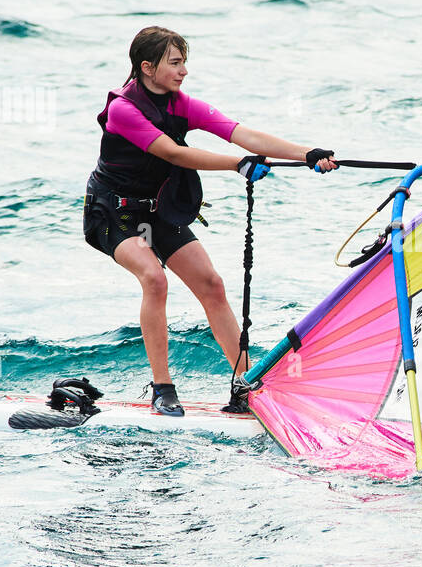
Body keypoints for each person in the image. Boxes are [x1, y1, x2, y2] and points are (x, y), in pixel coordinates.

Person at [82, 26, 336, 416]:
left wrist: (306, 153)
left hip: (158, 210)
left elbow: (241, 134)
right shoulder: (123, 109)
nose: (183, 71)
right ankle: (162, 388)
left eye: (184, 62)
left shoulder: (180, 104)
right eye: (175, 63)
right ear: (147, 67)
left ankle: (246, 383)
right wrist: (237, 165)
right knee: (154, 278)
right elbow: (173, 153)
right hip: (114, 212)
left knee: (212, 285)